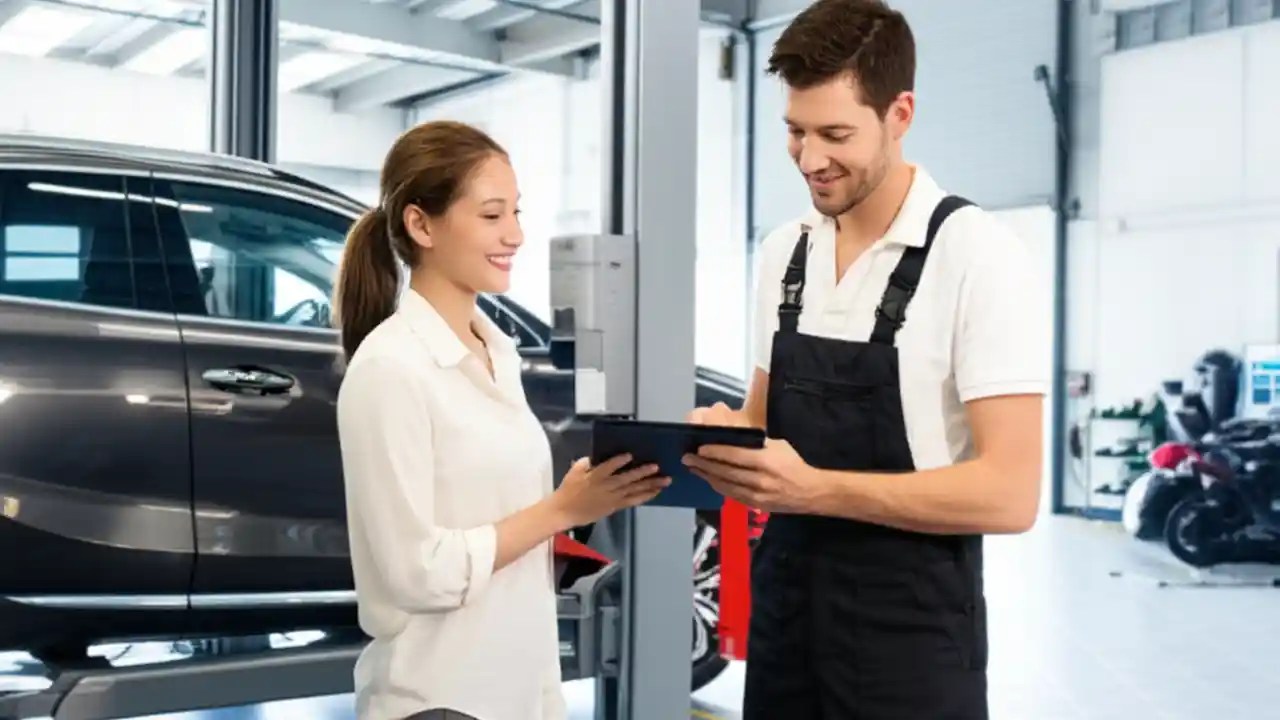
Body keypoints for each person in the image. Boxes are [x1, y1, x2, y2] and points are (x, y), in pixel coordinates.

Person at [682, 1, 1050, 718]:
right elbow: (763, 426)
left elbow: (1009, 494)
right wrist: (722, 440)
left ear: (900, 113)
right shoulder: (784, 252)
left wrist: (815, 488)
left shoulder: (977, 256)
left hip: (910, 636)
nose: (811, 158)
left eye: (836, 134)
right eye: (795, 131)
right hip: (787, 616)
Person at [333, 120, 669, 720]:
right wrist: (561, 510)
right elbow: (417, 572)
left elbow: (509, 549)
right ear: (420, 224)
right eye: (492, 215)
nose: (514, 234)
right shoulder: (390, 369)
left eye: (516, 212)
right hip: (438, 702)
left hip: (517, 693)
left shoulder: (497, 354)